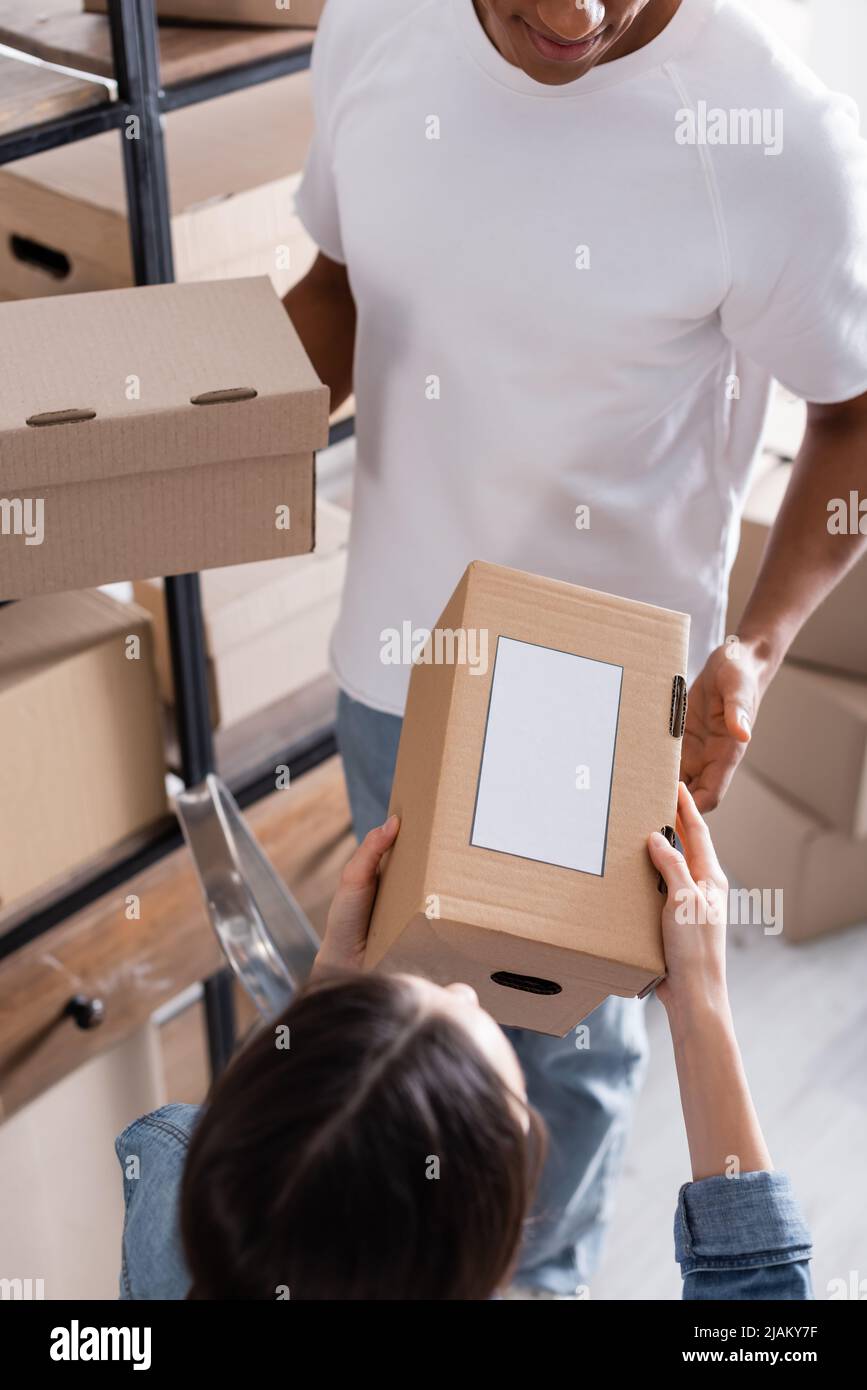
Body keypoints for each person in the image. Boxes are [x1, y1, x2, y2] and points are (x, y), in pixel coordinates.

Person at [283, 0, 867, 1294]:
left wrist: (754, 650)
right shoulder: (371, 30)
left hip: (589, 724)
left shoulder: (767, 132)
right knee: (391, 1075)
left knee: (553, 1101)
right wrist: (200, 449)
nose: (574, 15)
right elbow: (337, 287)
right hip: (392, 672)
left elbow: (853, 418)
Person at [116, 785, 813, 1300]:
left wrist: (332, 995)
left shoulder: (173, 1190)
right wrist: (701, 1005)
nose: (467, 991)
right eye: (513, 1100)